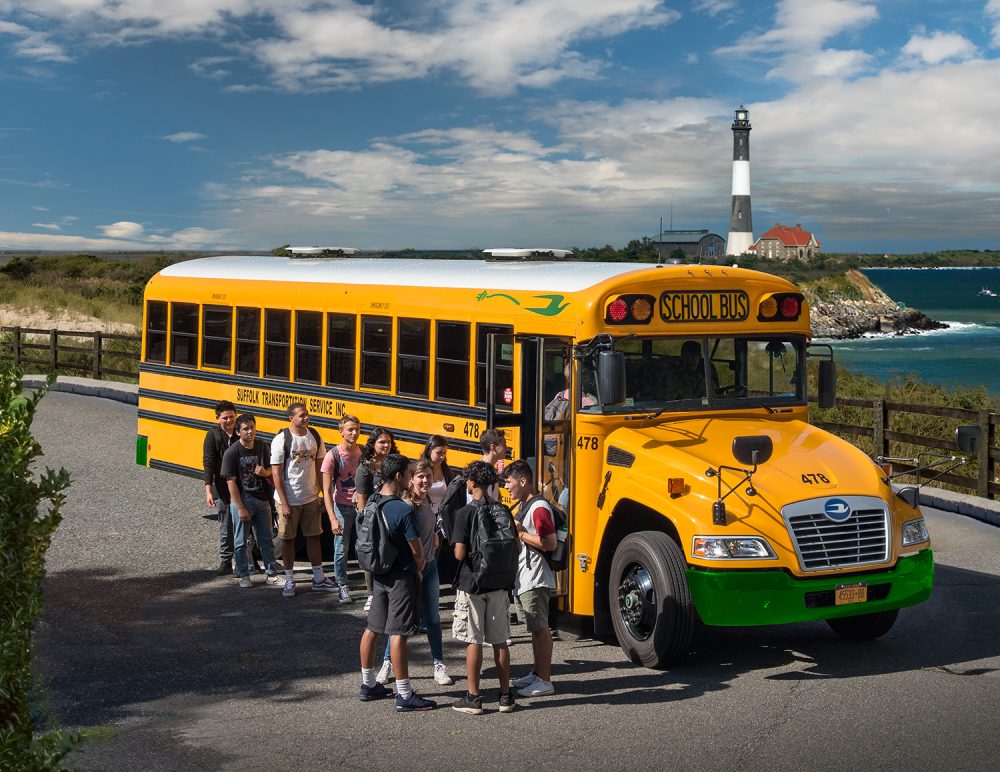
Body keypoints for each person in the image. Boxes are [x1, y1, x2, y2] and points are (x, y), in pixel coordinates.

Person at [357, 453, 436, 712]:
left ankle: (368, 685)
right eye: (409, 473)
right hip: (402, 576)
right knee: (399, 634)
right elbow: (416, 548)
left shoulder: (373, 500)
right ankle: (405, 694)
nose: (412, 477)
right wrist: (421, 566)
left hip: (380, 573)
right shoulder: (402, 509)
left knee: (373, 628)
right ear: (400, 477)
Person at [375, 459, 454, 687]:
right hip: (413, 571)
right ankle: (387, 663)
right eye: (421, 477)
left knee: (433, 619)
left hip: (430, 567)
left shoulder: (427, 499)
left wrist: (435, 536)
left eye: (429, 476)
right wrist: (417, 566)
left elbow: (428, 530)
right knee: (400, 624)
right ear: (411, 479)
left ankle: (438, 664)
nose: (425, 480)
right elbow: (406, 542)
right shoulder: (407, 504)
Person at [450, 461, 515, 715]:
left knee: (473, 640)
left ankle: (473, 697)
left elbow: (459, 554)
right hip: (500, 583)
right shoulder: (503, 509)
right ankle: (505, 696)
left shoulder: (465, 513)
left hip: (474, 582)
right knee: (500, 641)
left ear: (472, 482)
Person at [270, 402, 339, 598]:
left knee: (314, 536)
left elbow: (320, 469)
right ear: (291, 418)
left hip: (309, 497)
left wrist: (323, 496)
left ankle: (318, 577)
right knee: (288, 539)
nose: (306, 418)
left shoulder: (315, 436)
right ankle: (290, 579)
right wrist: (283, 502)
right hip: (289, 499)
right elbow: (276, 474)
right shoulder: (281, 439)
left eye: (306, 414)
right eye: (301, 415)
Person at [503, 460, 557, 697]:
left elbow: (550, 543)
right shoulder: (527, 504)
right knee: (534, 628)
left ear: (523, 481)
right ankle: (537, 674)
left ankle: (545, 680)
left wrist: (521, 534)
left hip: (535, 575)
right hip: (525, 575)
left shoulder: (539, 508)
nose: (506, 486)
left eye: (509, 481)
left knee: (541, 628)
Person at [221, 414, 280, 588]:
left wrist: (264, 473)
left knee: (267, 539)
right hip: (243, 499)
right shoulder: (232, 452)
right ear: (238, 432)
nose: (250, 432)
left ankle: (272, 574)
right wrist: (240, 507)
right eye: (245, 429)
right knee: (241, 541)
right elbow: (230, 481)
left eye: (252, 427)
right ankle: (244, 575)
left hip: (262, 499)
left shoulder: (262, 446)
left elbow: (271, 469)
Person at [354, 427, 398, 611]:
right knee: (372, 552)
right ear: (373, 444)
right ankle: (372, 594)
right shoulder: (367, 466)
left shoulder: (395, 463)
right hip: (373, 516)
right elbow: (361, 495)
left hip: (392, 514)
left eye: (388, 442)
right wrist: (365, 520)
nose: (386, 445)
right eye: (382, 442)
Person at [321, 414, 362, 604]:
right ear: (341, 432)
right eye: (350, 429)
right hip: (341, 507)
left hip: (360, 508)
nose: (354, 433)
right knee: (341, 549)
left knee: (365, 546)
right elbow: (327, 491)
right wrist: (332, 518)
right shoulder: (332, 456)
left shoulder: (361, 453)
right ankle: (342, 585)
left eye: (357, 429)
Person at [202, 400, 239, 575]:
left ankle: (246, 561)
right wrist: (208, 490)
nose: (229, 421)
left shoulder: (241, 432)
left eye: (232, 417)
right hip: (222, 487)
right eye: (225, 418)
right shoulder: (213, 435)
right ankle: (225, 561)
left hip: (242, 487)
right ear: (218, 419)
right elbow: (208, 463)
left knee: (246, 525)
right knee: (226, 525)